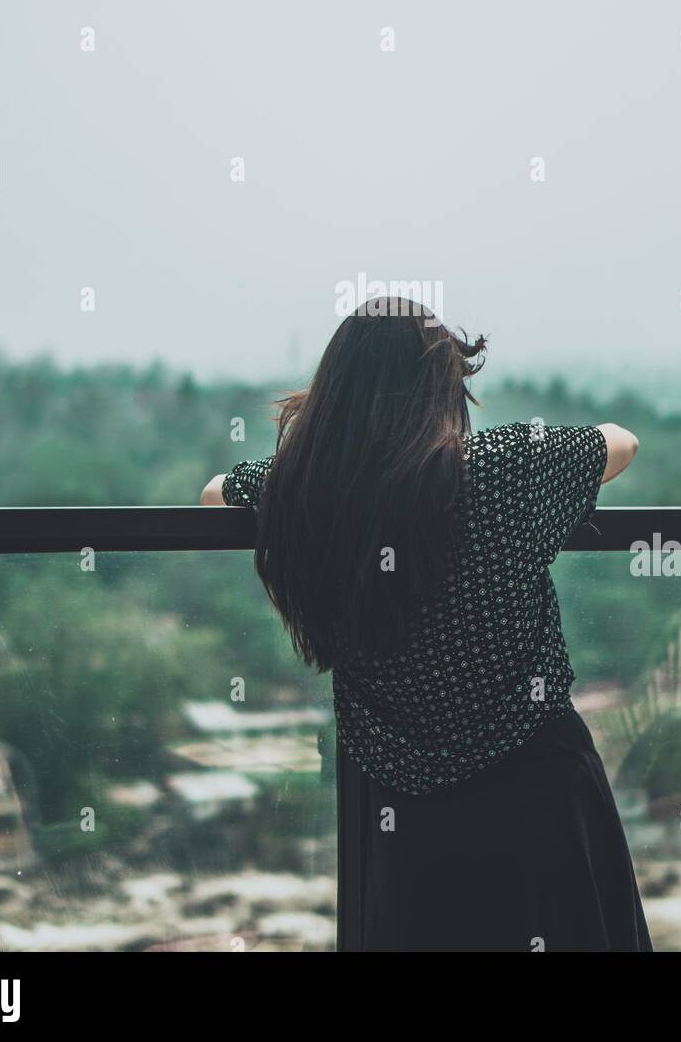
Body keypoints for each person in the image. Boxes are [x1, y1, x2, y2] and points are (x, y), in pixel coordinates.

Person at [202, 298, 651, 952]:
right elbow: (622, 443)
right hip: (541, 798)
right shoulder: (499, 471)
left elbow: (215, 494)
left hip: (402, 817)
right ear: (443, 390)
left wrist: (305, 469)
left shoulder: (304, 497)